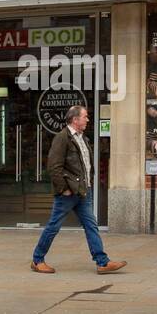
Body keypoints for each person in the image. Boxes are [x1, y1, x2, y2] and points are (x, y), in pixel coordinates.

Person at [31, 104, 126, 275]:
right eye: (85, 117)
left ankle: (102, 262)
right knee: (53, 226)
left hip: (83, 191)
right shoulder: (62, 138)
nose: (88, 119)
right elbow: (54, 167)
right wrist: (64, 189)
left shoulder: (83, 138)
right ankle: (37, 260)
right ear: (75, 119)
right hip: (68, 193)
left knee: (91, 226)